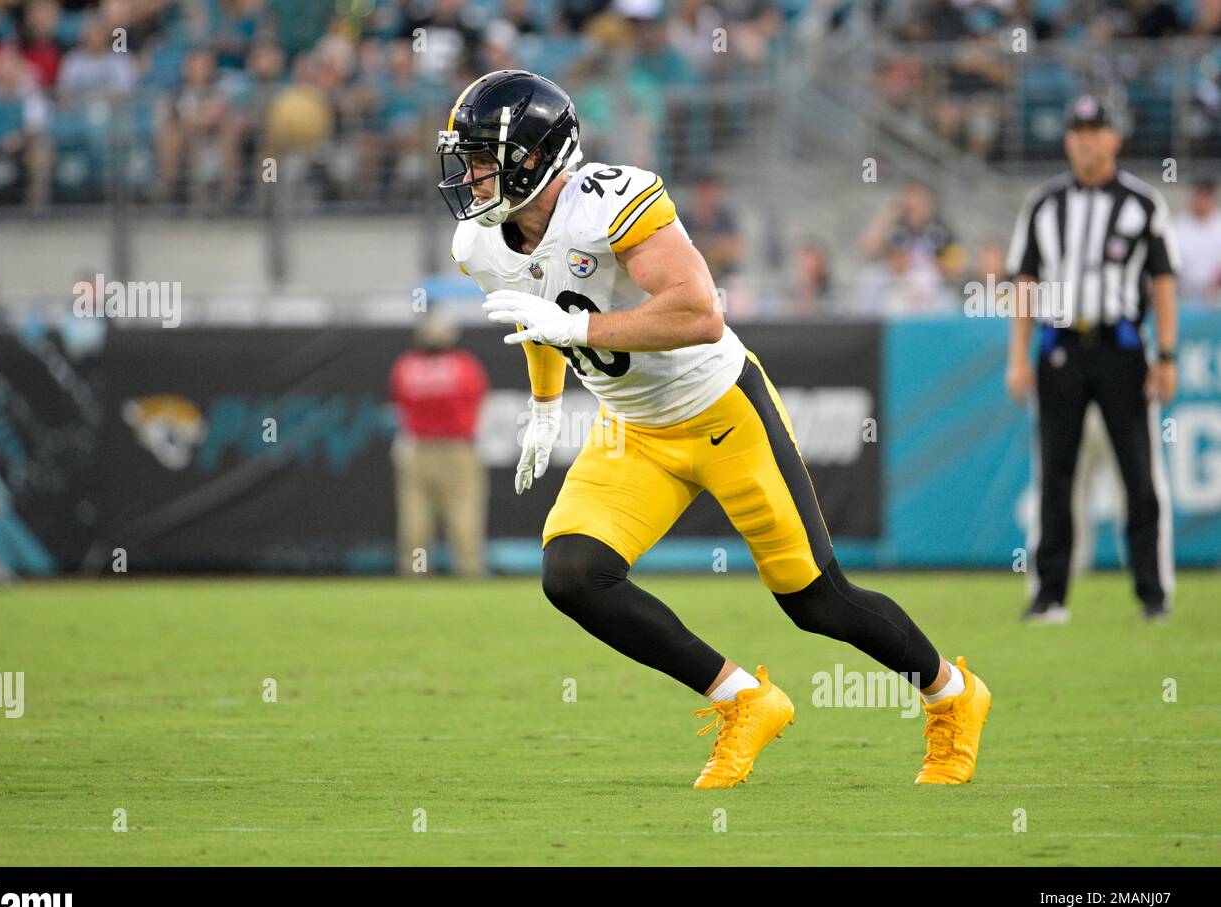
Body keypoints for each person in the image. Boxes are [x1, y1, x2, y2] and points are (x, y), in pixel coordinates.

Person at [437, 70, 991, 788]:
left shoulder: (608, 200)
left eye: (485, 156)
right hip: (633, 429)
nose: (471, 173)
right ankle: (744, 701)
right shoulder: (478, 245)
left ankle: (951, 695)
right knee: (573, 574)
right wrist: (546, 406)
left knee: (816, 600)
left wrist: (578, 325)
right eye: (469, 155)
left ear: (538, 157)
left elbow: (699, 313)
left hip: (722, 412)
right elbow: (531, 318)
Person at [1005, 94, 1178, 622]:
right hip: (1059, 349)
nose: (1085, 138)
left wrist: (1166, 353)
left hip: (1122, 347)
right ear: (1067, 139)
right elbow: (1025, 282)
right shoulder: (1043, 203)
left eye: (1095, 129)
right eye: (1077, 130)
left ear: (1114, 138)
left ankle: (1153, 594)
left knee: (1139, 473)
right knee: (1056, 474)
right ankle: (1049, 594)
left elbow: (1164, 281)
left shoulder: (1143, 203)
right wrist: (1018, 356)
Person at [387, 312, 490, 578]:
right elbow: (478, 401)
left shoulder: (406, 366)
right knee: (464, 509)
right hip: (457, 447)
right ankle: (469, 570)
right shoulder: (464, 365)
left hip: (418, 447)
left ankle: (413, 569)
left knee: (415, 510)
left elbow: (399, 405)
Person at [1174, 178, 1221, 302]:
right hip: (1183, 295)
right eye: (1199, 195)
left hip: (1216, 298)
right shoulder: (1178, 225)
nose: (1202, 201)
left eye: (1206, 196)